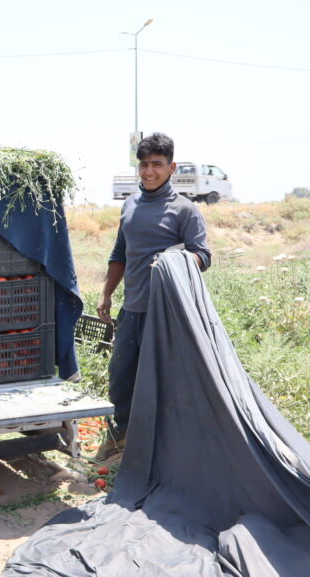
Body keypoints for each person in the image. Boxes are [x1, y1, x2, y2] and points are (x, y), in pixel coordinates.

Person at [95, 132, 212, 460]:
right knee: (121, 378)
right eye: (144, 165)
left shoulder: (185, 210)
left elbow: (203, 256)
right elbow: (120, 253)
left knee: (164, 382)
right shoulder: (130, 204)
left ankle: (162, 449)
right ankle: (118, 438)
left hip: (167, 313)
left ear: (172, 167)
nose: (149, 171)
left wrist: (174, 259)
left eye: (157, 164)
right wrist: (107, 294)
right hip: (132, 309)